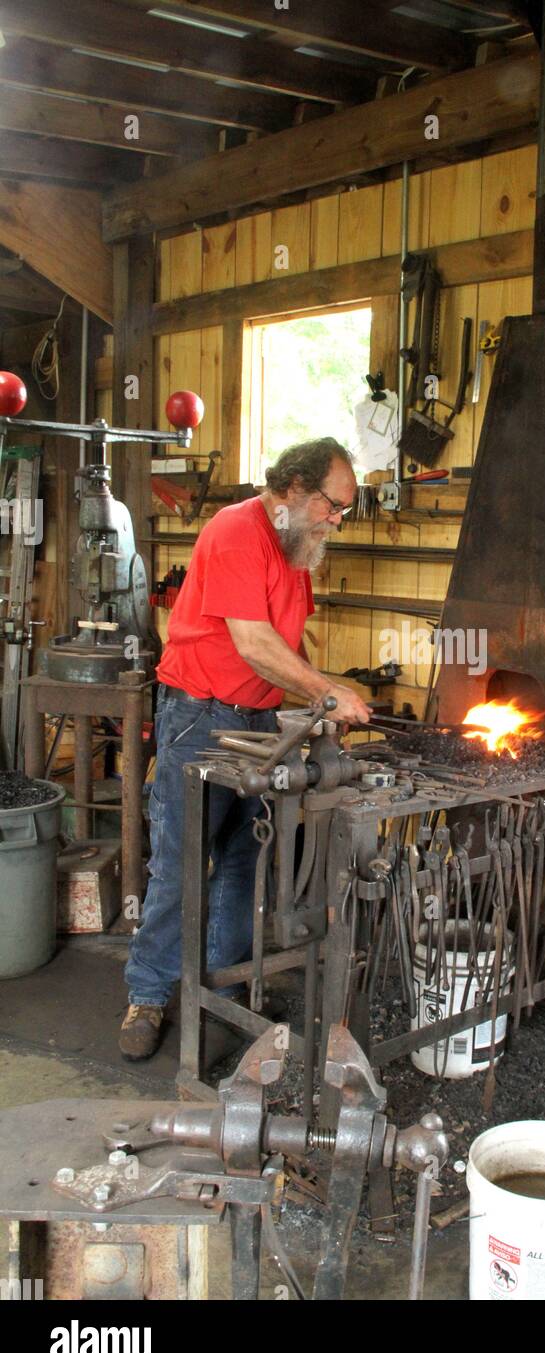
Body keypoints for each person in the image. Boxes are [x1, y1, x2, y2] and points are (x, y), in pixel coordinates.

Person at [120, 438, 370, 1060]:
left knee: (241, 860)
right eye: (332, 506)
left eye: (343, 509)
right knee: (182, 865)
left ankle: (221, 985)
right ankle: (148, 996)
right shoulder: (237, 531)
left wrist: (314, 705)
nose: (336, 520)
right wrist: (329, 694)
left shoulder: (294, 547)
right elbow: (254, 643)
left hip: (262, 721)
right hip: (200, 717)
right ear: (293, 489)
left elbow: (286, 645)